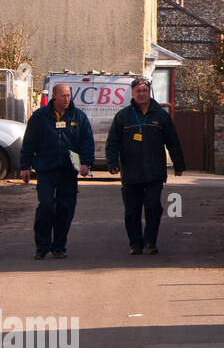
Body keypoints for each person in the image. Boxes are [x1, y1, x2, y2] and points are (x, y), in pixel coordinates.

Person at [105, 76, 185, 255]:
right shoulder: (123, 116)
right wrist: (112, 164)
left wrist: (178, 165)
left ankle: (150, 242)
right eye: (138, 91)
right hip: (131, 172)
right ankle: (135, 243)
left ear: (149, 92)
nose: (141, 94)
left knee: (152, 206)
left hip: (154, 172)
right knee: (132, 211)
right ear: (132, 94)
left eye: (144, 91)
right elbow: (112, 142)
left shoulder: (160, 116)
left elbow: (172, 141)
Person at [19, 82, 94, 259]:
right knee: (46, 206)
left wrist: (86, 163)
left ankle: (59, 247)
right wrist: (25, 167)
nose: (67, 99)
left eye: (69, 95)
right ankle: (42, 247)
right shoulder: (40, 117)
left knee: (65, 209)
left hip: (68, 172)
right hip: (46, 170)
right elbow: (29, 143)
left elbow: (86, 142)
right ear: (54, 96)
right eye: (63, 96)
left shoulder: (79, 117)